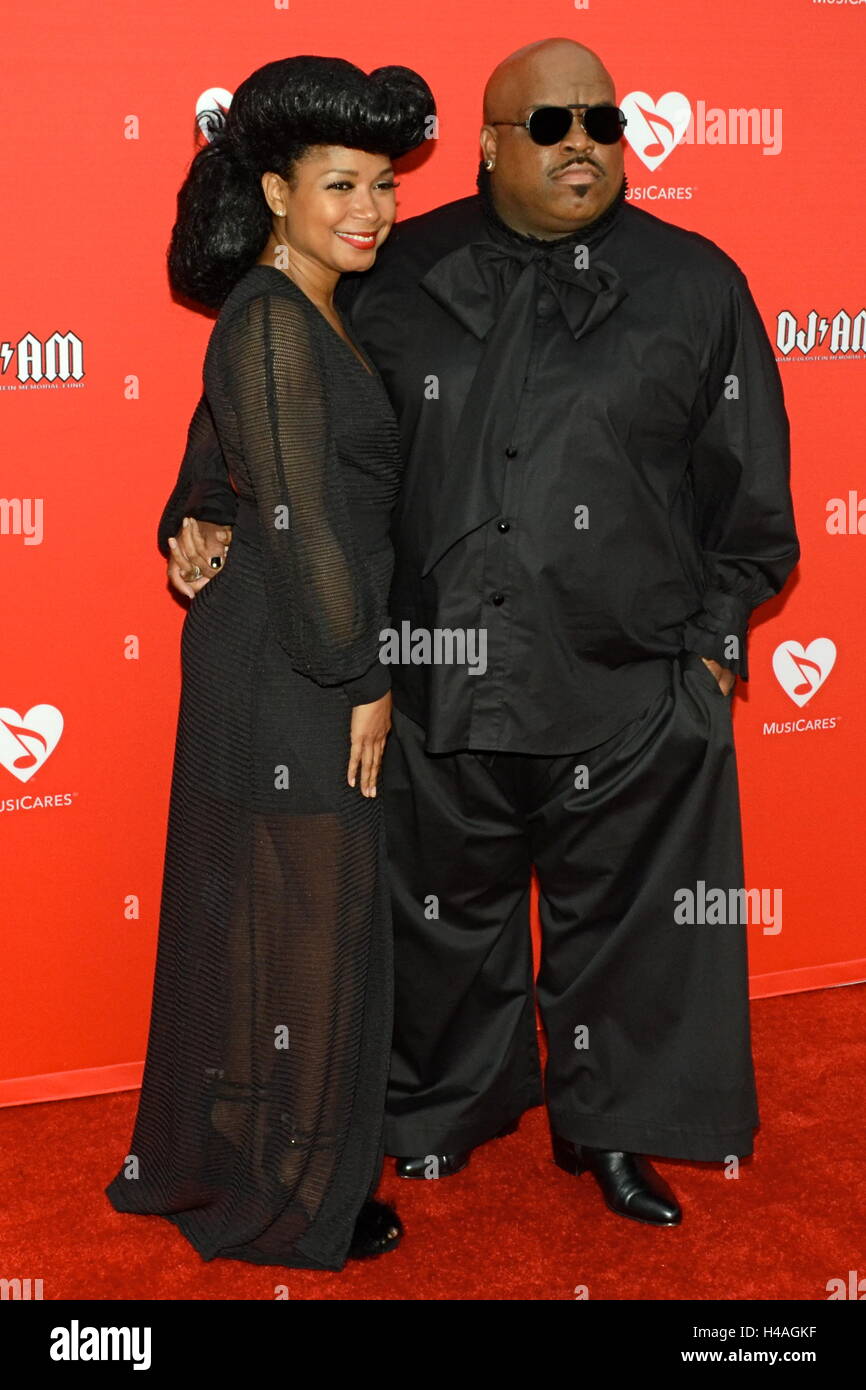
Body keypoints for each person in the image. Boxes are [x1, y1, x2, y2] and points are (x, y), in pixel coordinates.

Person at [164, 38, 799, 1228]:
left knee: (631, 935)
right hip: (428, 677)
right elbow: (281, 390)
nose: (580, 144)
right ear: (491, 142)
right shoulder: (394, 266)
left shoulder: (696, 282)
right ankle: (438, 1113)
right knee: (440, 915)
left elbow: (747, 486)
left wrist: (709, 650)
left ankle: (612, 1132)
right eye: (548, 124)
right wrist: (200, 498)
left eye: (601, 123)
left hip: (624, 684)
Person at [105, 54, 434, 1270]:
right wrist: (362, 678)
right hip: (294, 661)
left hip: (283, 644)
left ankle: (262, 1151)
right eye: (340, 185)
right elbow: (301, 522)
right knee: (307, 921)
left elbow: (219, 474)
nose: (369, 209)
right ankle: (298, 1193)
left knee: (280, 915)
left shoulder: (303, 311)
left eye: (383, 186)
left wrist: (182, 522)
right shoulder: (271, 320)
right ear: (278, 191)